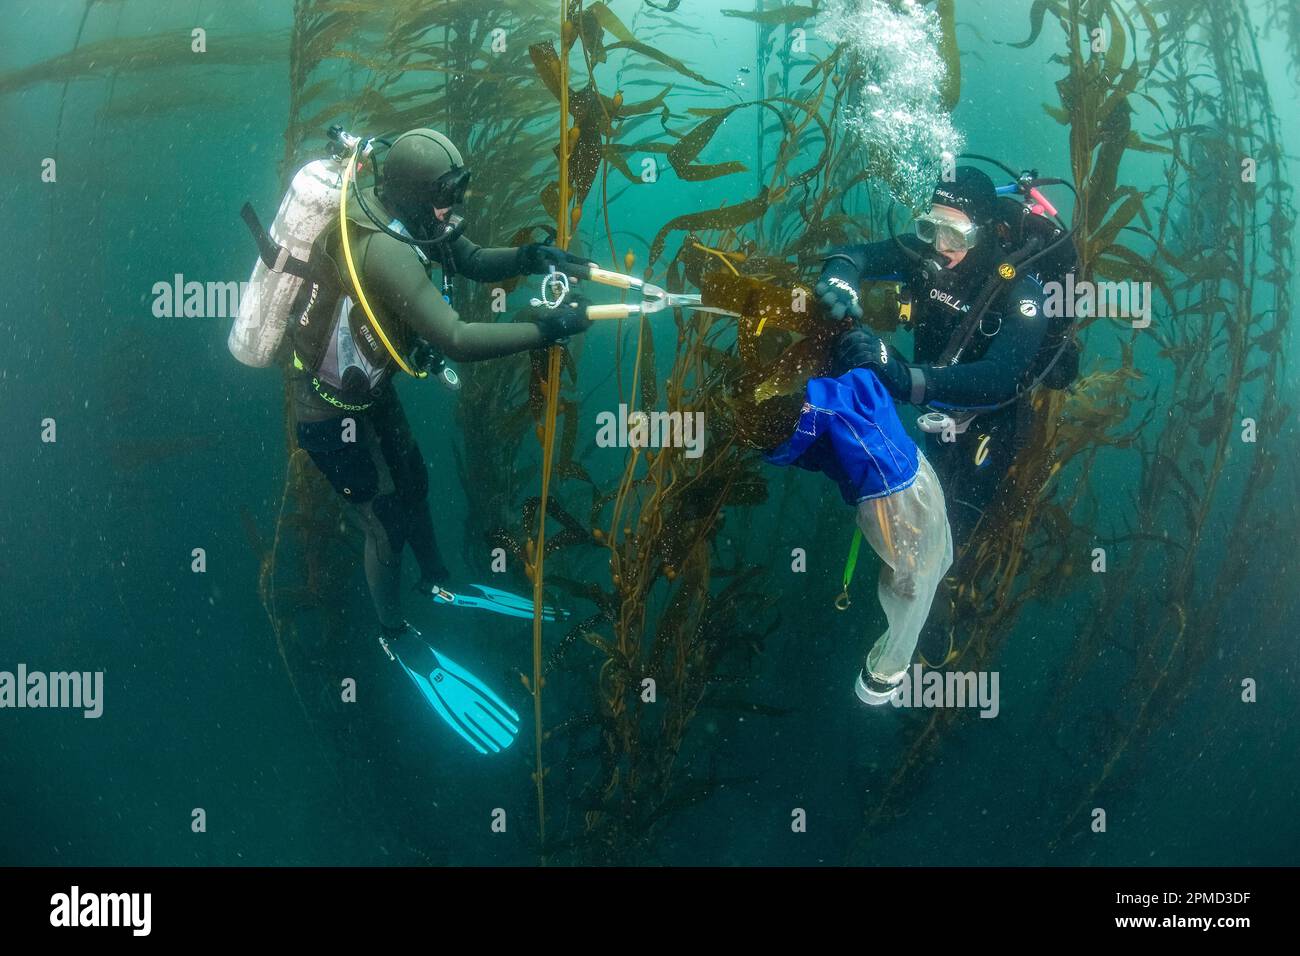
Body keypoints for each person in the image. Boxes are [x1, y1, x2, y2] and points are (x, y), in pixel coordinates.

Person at [287, 128, 592, 751]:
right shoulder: (385, 251)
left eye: (458, 193)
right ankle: (393, 631)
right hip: (323, 411)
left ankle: (436, 580)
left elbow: (471, 260)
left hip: (369, 390)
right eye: (444, 198)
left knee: (417, 480)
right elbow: (454, 337)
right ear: (410, 195)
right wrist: (545, 330)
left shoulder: (410, 220)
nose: (454, 210)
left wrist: (533, 257)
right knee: (382, 523)